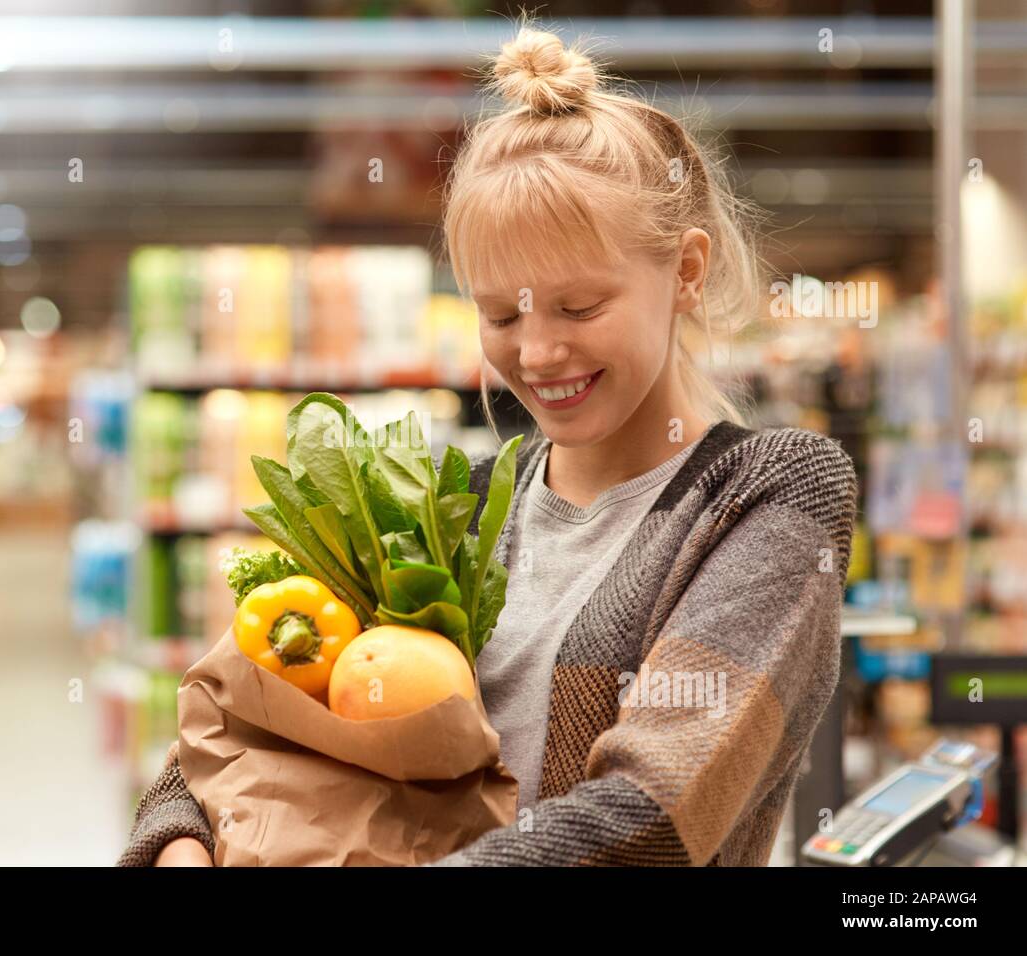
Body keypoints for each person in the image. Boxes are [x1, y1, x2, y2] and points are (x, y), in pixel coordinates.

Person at [118, 17, 858, 867]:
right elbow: (226, 728)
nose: (536, 354)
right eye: (501, 314)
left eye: (579, 308)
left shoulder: (764, 496)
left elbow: (651, 814)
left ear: (686, 270)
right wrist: (178, 842)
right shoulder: (447, 506)